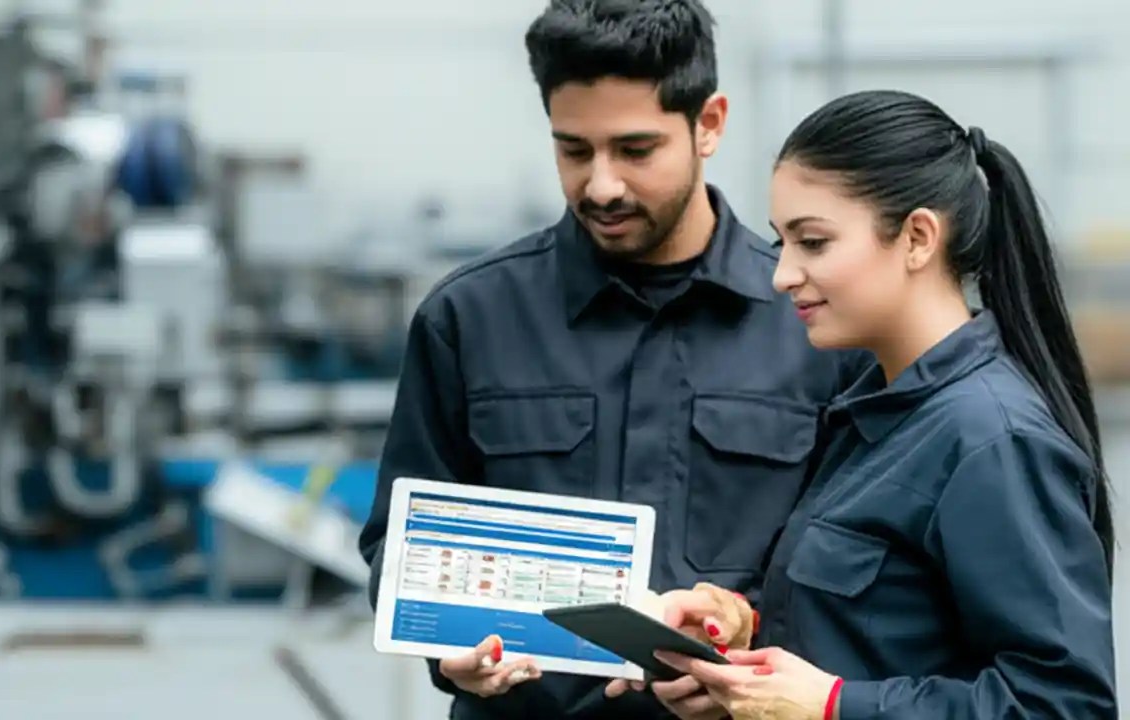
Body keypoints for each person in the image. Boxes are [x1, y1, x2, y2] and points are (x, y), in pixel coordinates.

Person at [357, 1, 871, 718]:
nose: (601, 185)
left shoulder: (814, 325)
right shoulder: (469, 319)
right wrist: (448, 652)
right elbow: (400, 541)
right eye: (574, 151)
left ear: (709, 124)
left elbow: (862, 569)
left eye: (635, 150)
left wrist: (751, 651)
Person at [608, 88, 1118, 719]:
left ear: (917, 238)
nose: (782, 274)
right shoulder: (879, 412)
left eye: (813, 242)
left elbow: (1064, 705)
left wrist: (833, 706)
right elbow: (882, 634)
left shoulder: (992, 439)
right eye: (781, 241)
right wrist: (740, 643)